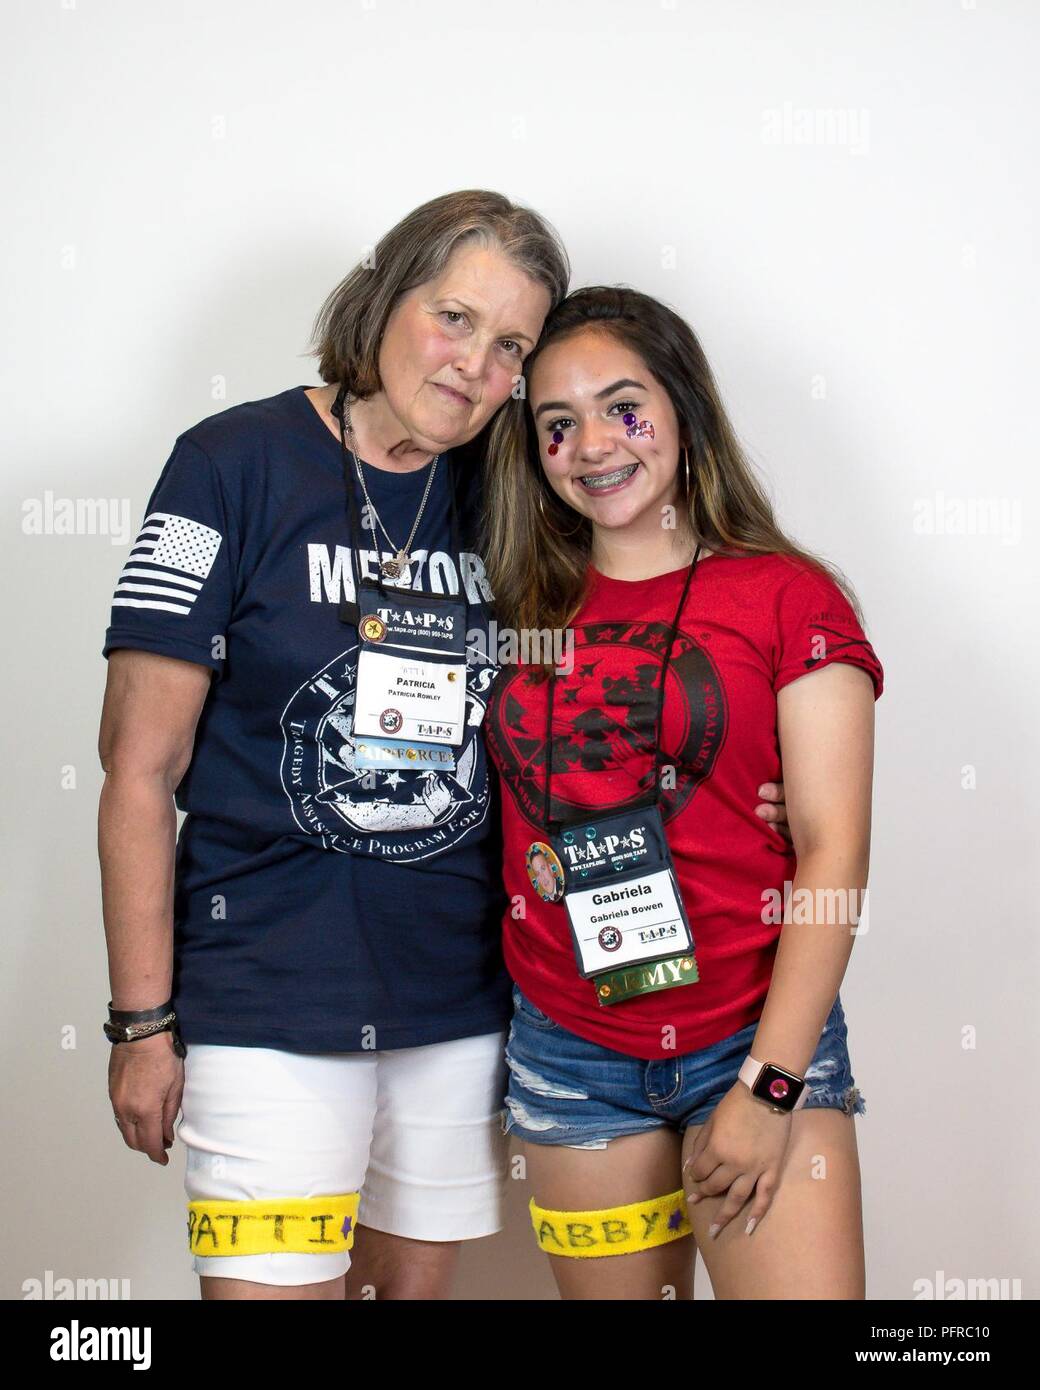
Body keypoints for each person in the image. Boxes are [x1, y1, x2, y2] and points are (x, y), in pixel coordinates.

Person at [98, 190, 791, 1301]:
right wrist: (142, 1018)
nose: (476, 365)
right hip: (267, 993)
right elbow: (138, 769)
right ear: (383, 297)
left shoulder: (520, 485)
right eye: (454, 317)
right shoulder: (225, 464)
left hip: (463, 1005)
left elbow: (636, 665)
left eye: (511, 342)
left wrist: (757, 788)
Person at [482, 285, 883, 1299]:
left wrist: (770, 1083)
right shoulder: (518, 604)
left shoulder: (788, 596)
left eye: (623, 407)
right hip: (569, 1050)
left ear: (683, 407)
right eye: (555, 425)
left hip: (752, 1036)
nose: (591, 445)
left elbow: (833, 853)